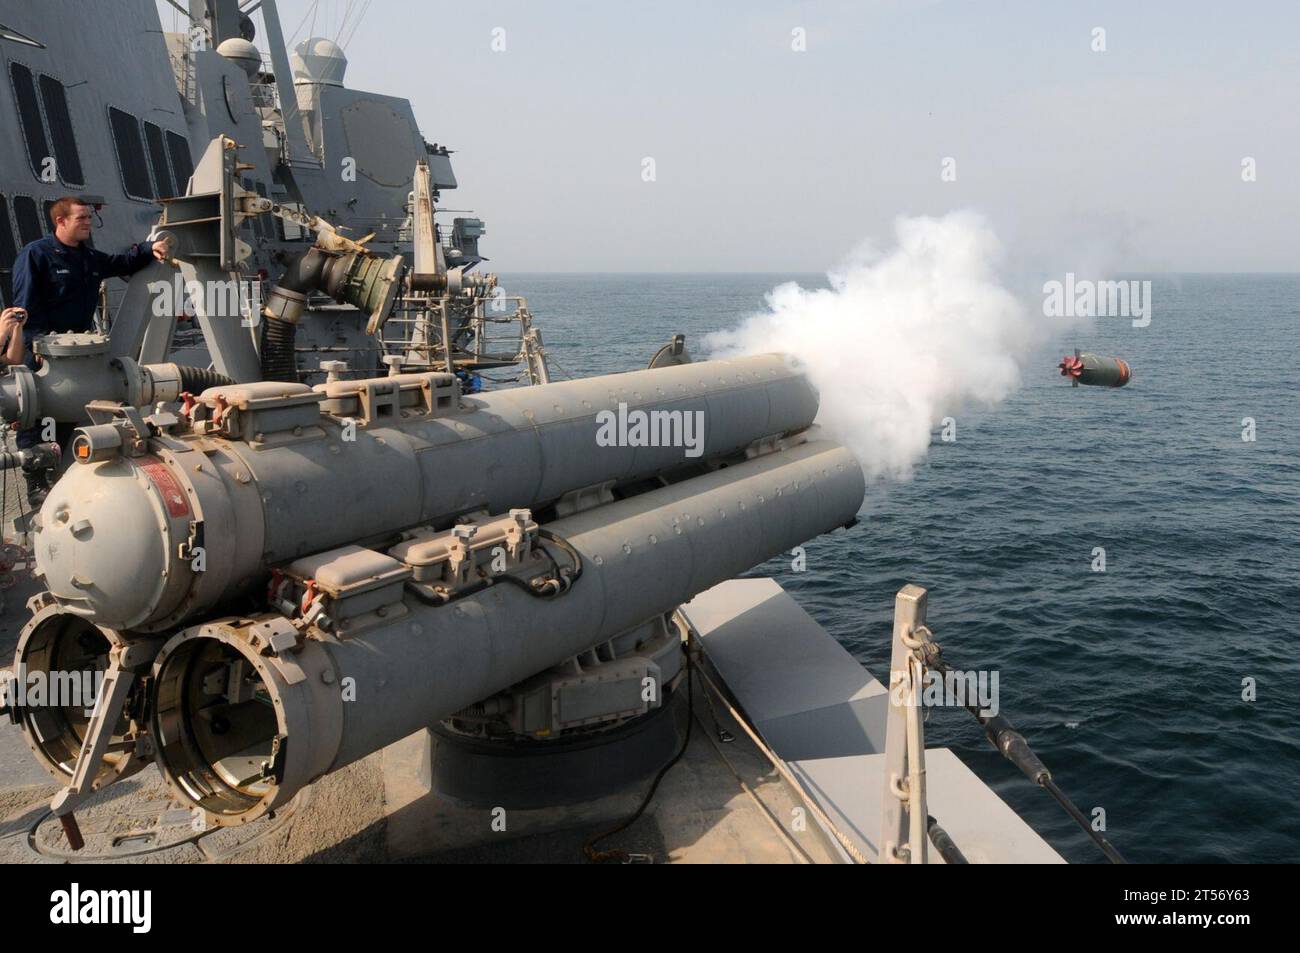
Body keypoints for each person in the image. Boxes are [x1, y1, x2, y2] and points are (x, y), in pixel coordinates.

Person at [8, 196, 172, 505]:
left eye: (88, 217)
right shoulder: (36, 256)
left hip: (76, 355)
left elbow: (120, 263)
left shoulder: (87, 258)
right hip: (45, 355)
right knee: (39, 416)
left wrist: (150, 248)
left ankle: (59, 475)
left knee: (68, 413)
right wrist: (38, 346)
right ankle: (36, 485)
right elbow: (25, 305)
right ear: (61, 221)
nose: (88, 223)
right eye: (82, 218)